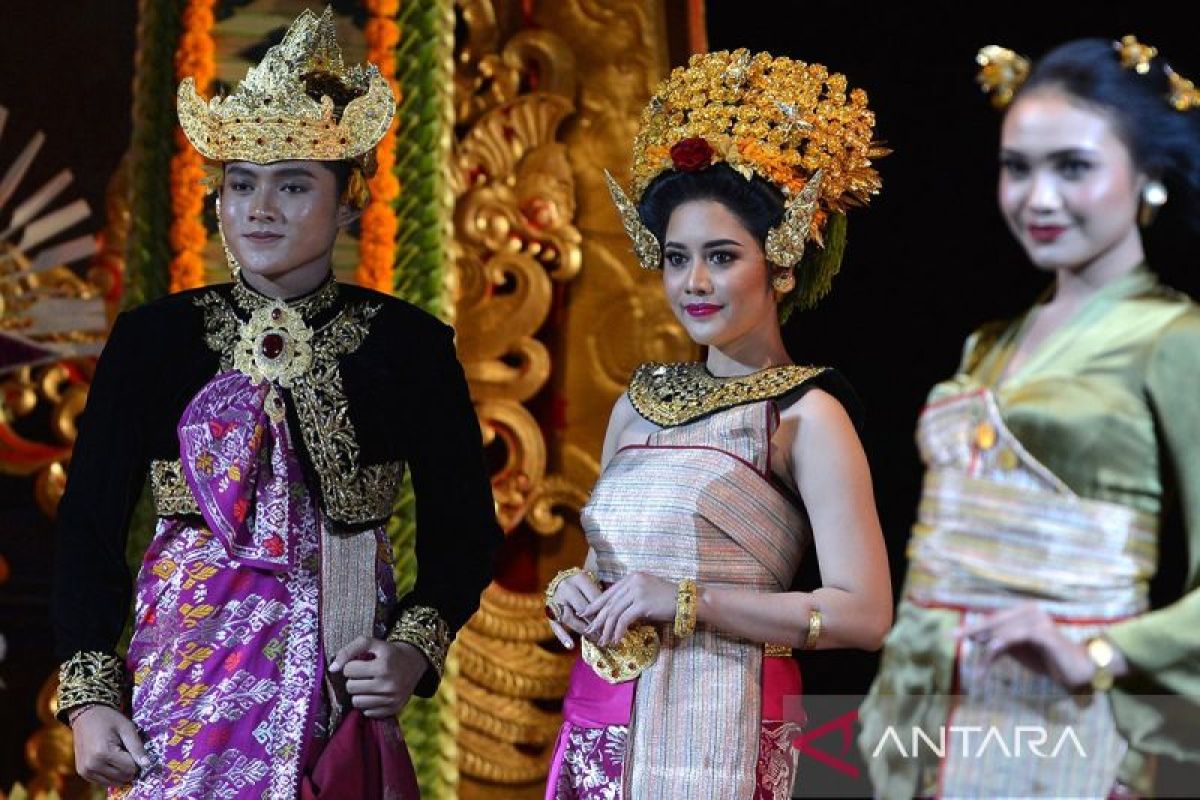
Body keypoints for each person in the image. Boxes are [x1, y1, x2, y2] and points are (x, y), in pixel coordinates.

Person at [52, 8, 501, 798]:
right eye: (240, 185)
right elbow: (88, 526)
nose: (261, 209)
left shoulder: (407, 346)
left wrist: (413, 651)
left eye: (293, 185)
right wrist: (89, 697)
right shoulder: (156, 342)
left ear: (350, 201)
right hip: (181, 685)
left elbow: (464, 533)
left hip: (336, 678)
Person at [543, 49, 893, 799]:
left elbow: (865, 613)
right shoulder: (635, 405)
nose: (693, 283)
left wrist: (686, 602)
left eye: (722, 257)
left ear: (783, 263)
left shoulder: (807, 414)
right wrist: (577, 591)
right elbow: (615, 572)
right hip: (606, 721)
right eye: (676, 258)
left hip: (728, 721)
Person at [860, 36, 1200, 798]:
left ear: (1146, 175)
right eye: (1018, 168)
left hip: (1067, 729)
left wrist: (1101, 652)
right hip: (931, 712)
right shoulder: (988, 343)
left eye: (1072, 167)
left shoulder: (1175, 340)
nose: (1037, 198)